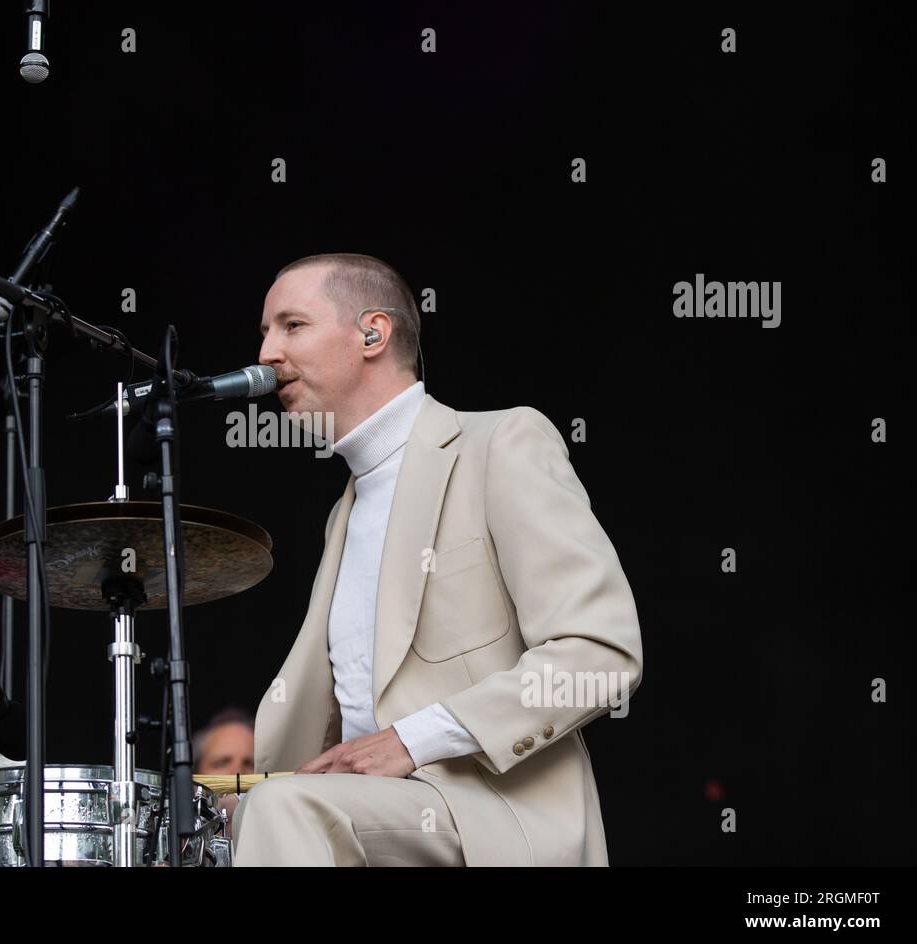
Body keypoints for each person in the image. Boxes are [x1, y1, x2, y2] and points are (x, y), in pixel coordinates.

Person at [227, 253, 643, 865]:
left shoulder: (501, 443)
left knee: (283, 809)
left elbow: (601, 653)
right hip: (374, 813)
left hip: (495, 818)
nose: (265, 353)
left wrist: (411, 741)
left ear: (374, 333)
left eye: (291, 326)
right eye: (265, 331)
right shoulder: (345, 510)